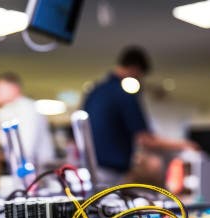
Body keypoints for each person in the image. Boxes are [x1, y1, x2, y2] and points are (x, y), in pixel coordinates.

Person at [82, 46, 198, 184]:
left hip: (90, 168)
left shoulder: (95, 90)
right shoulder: (124, 93)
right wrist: (183, 144)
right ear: (135, 69)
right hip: (112, 171)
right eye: (140, 75)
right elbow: (145, 139)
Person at [0, 72, 55, 175]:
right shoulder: (4, 111)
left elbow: (27, 146)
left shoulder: (28, 108)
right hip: (20, 167)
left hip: (37, 169)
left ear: (14, 88)